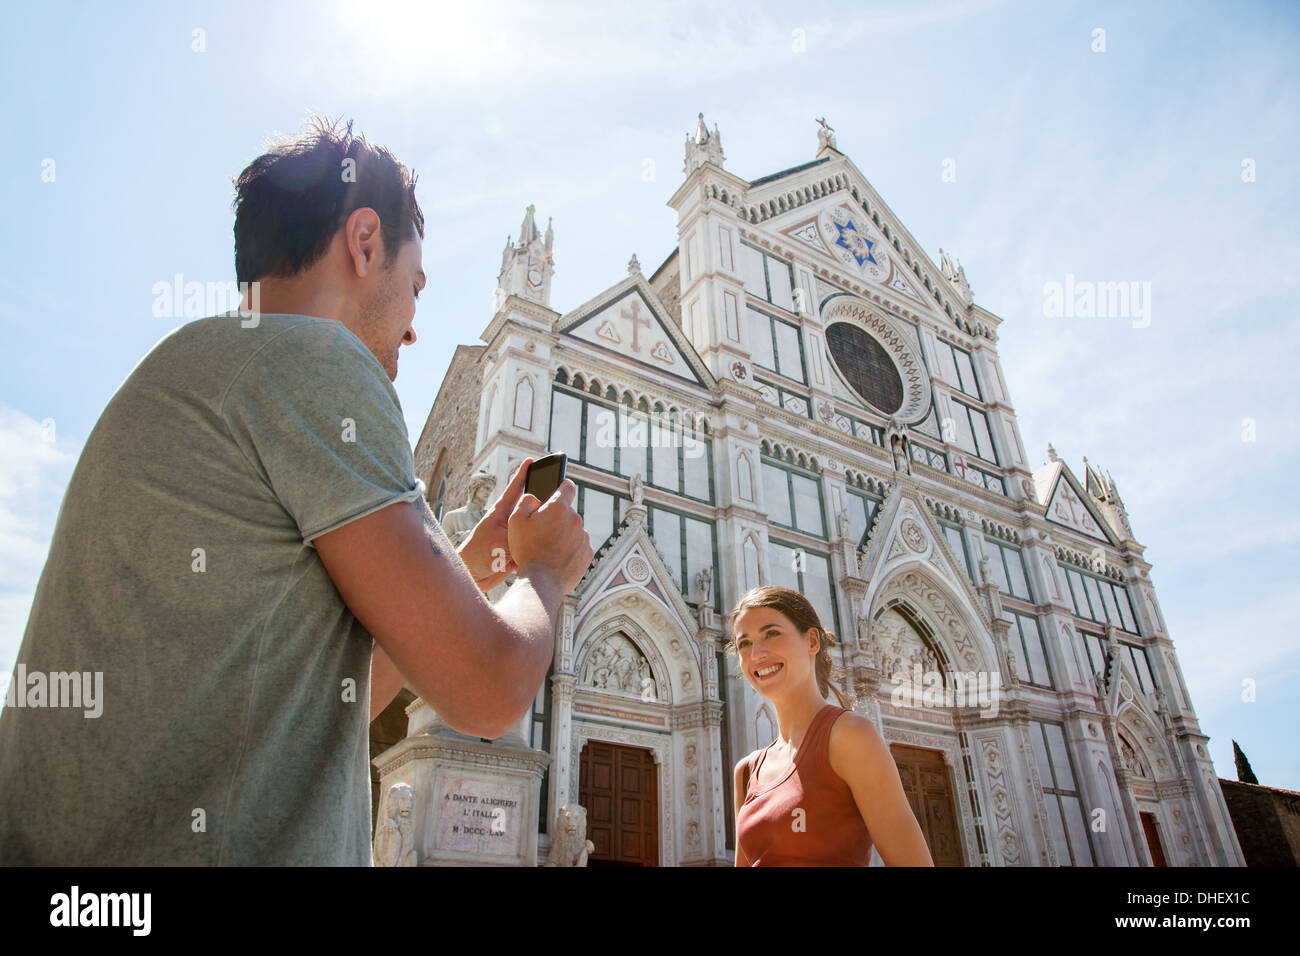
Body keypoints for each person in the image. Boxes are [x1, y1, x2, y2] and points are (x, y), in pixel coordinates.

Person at [0, 116, 593, 865]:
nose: (413, 331)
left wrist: (466, 570)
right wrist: (545, 570)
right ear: (364, 240)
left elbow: (328, 711)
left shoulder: (189, 371)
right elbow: (487, 689)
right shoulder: (318, 363)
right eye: (414, 286)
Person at [729, 586, 933, 866]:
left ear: (812, 640)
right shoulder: (747, 771)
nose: (757, 654)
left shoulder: (849, 736)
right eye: (744, 644)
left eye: (772, 633)